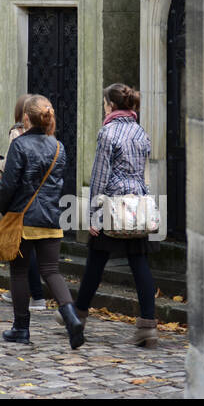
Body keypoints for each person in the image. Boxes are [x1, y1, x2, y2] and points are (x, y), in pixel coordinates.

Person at [73, 84, 159, 348]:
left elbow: (100, 177)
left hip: (112, 205)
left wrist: (94, 215)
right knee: (139, 263)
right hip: (136, 204)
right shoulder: (141, 132)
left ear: (110, 105)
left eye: (104, 103)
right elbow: (142, 171)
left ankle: (77, 317)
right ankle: (148, 325)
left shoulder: (108, 133)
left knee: (95, 265)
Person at [0, 95, 84, 349]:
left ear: (26, 118)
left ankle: (21, 328)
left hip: (24, 218)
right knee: (51, 271)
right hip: (51, 218)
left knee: (20, 272)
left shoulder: (20, 146)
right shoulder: (59, 146)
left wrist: (4, 209)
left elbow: (10, 184)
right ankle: (71, 318)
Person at [0, 94, 51, 313]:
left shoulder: (17, 133)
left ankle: (34, 297)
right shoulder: (49, 137)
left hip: (21, 201)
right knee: (30, 252)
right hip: (42, 199)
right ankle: (22, 291)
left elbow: (13, 169)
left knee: (22, 250)